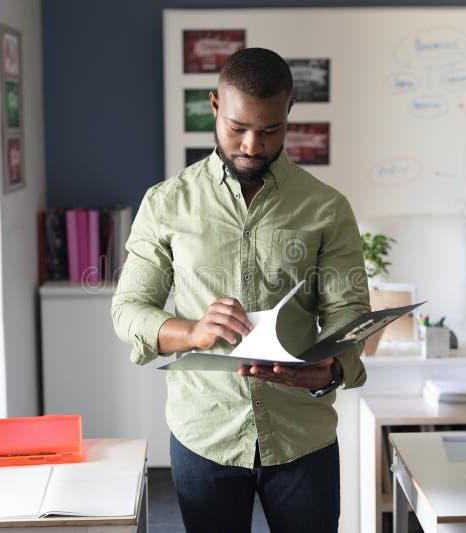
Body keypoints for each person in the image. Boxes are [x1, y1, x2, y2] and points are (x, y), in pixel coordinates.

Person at [112, 47, 369, 532]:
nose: (252, 144)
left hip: (302, 436)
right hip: (204, 432)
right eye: (237, 128)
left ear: (289, 113)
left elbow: (350, 313)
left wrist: (331, 369)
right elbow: (129, 310)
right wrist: (192, 331)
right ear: (214, 106)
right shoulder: (166, 203)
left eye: (270, 130)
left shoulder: (327, 208)